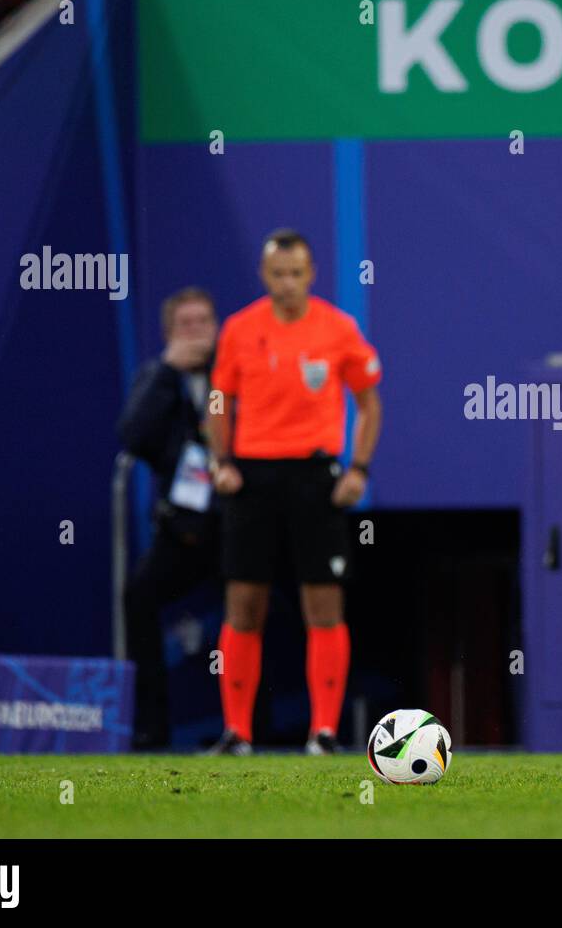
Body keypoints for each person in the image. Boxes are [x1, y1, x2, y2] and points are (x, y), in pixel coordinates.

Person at [206, 229, 382, 756]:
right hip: (252, 477)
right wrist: (222, 463)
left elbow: (369, 404)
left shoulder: (336, 328)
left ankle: (323, 732)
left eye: (296, 274)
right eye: (277, 274)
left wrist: (358, 470)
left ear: (311, 274)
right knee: (243, 604)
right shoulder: (240, 329)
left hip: (313, 476)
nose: (287, 284)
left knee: (323, 604)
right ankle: (237, 732)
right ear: (265, 276)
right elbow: (218, 401)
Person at [116, 287, 221, 750]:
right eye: (186, 325)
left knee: (257, 603)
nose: (196, 333)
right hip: (184, 529)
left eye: (203, 323)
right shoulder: (158, 379)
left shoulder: (236, 375)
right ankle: (152, 728)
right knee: (138, 596)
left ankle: (249, 728)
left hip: (238, 521)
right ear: (168, 334)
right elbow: (134, 437)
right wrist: (165, 370)